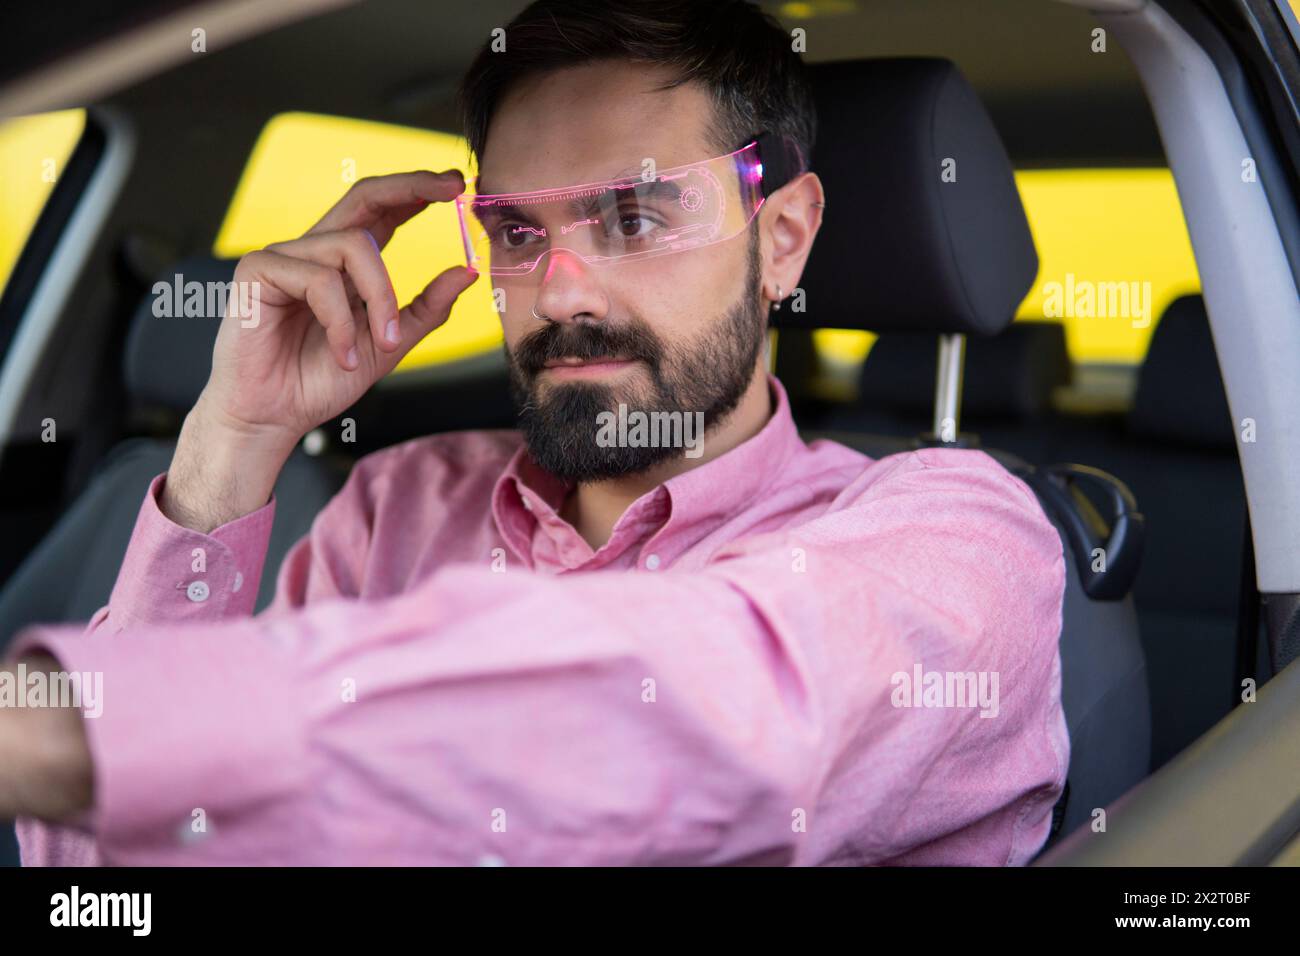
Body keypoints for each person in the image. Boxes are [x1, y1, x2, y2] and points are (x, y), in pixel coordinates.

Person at [0, 0, 1067, 866]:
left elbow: (726, 719)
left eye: (635, 217)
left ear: (781, 240)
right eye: (519, 230)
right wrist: (233, 436)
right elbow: (95, 871)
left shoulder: (960, 538)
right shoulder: (393, 508)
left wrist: (71, 727)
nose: (559, 293)